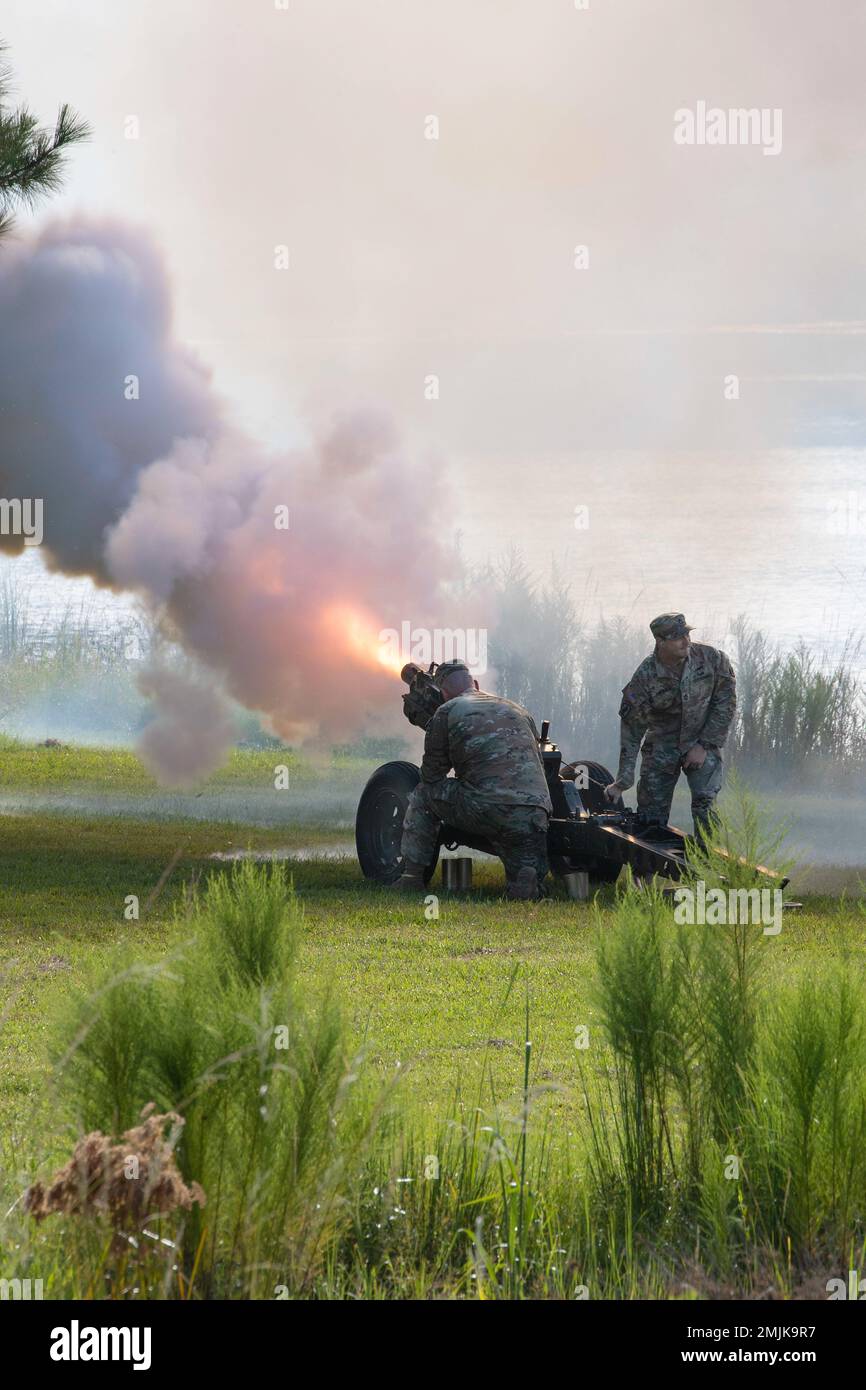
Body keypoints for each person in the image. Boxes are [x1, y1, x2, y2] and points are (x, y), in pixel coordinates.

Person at [392, 661, 552, 899]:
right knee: (521, 852)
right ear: (475, 684)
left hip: (487, 806)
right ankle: (524, 879)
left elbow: (431, 776)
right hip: (535, 813)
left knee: (424, 793)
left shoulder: (446, 711)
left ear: (443, 694)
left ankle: (411, 878)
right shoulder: (517, 709)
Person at [604, 613, 736, 835]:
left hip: (702, 740)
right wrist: (623, 780)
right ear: (660, 641)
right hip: (662, 746)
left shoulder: (712, 659)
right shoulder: (645, 676)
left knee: (705, 806)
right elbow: (632, 730)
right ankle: (646, 868)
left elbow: (726, 703)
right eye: (677, 637)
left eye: (687, 634)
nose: (686, 641)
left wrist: (704, 745)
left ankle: (705, 865)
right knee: (650, 816)